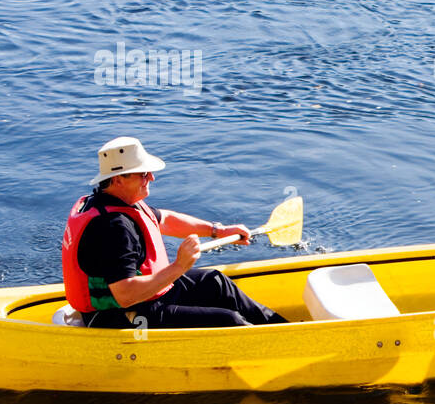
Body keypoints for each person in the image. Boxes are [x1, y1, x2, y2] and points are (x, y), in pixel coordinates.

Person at [61, 136, 289, 328]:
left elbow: (167, 221)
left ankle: (284, 329)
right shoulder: (113, 227)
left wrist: (217, 231)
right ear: (119, 179)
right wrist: (179, 267)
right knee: (229, 320)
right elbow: (124, 294)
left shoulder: (115, 201)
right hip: (123, 315)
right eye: (143, 173)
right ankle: (279, 348)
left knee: (215, 281)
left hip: (148, 296)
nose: (151, 177)